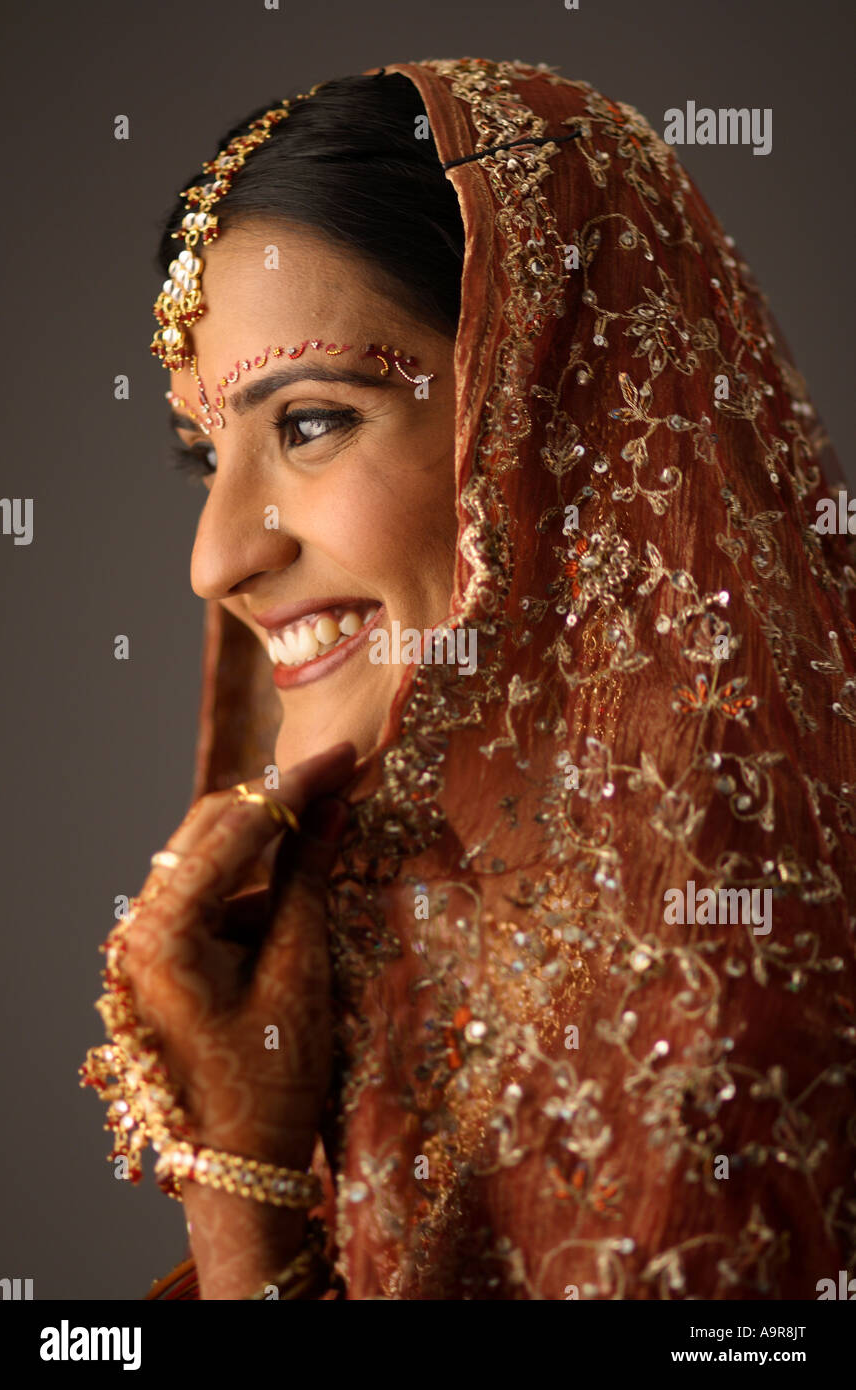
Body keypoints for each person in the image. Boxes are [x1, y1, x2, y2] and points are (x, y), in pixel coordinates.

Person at [81, 57, 856, 1301]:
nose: (215, 557)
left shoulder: (733, 1008)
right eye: (201, 451)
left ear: (545, 418)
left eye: (309, 421)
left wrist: (248, 1220)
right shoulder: (392, 930)